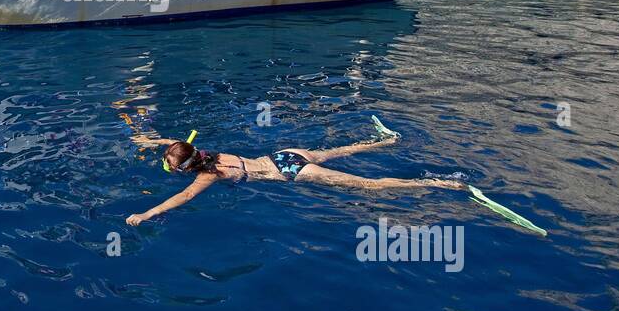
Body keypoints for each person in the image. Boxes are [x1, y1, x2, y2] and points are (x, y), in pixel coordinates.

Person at [124, 123, 465, 226]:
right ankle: (385, 142)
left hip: (290, 172)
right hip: (284, 154)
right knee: (343, 150)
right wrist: (149, 139)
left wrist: (147, 212)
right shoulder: (208, 153)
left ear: (186, 168)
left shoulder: (208, 175)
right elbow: (175, 143)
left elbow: (182, 198)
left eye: (172, 166)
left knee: (368, 187)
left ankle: (438, 182)